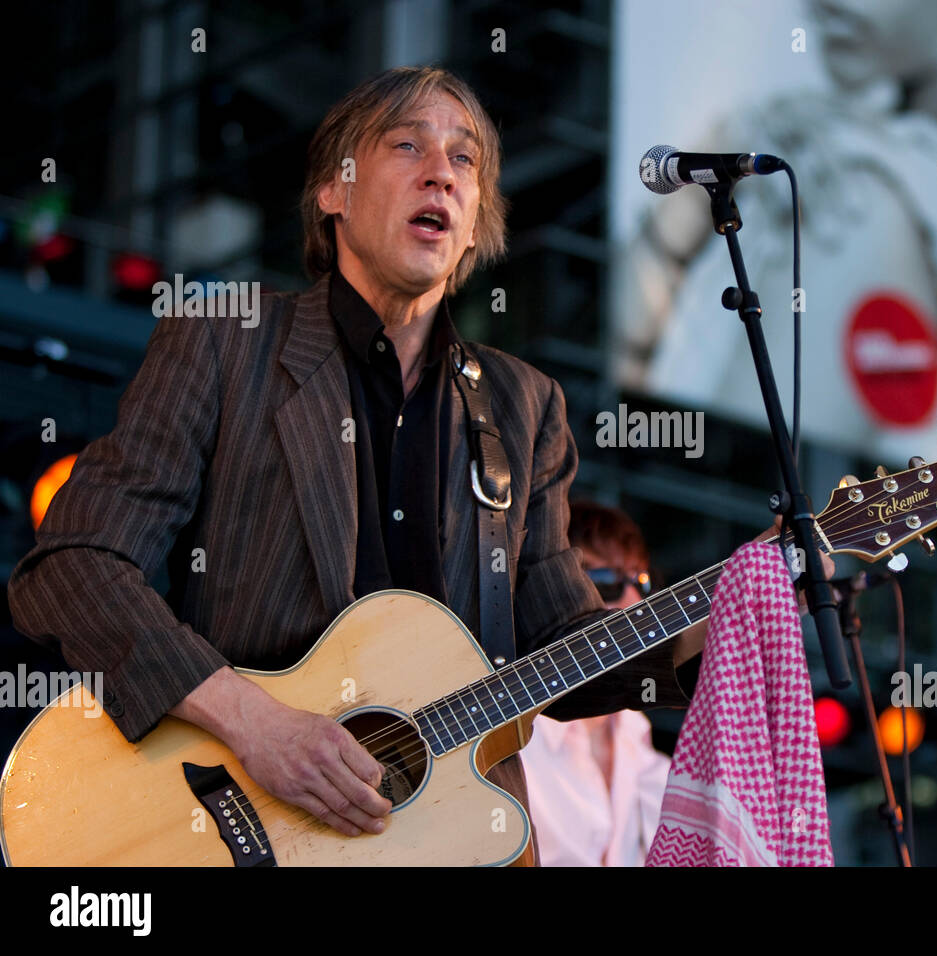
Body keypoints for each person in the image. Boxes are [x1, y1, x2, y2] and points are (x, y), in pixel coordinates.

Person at [6, 66, 707, 853]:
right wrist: (254, 723)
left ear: (474, 222)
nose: (442, 172)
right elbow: (74, 564)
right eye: (407, 145)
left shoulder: (523, 405)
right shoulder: (225, 344)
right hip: (234, 817)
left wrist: (726, 618)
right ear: (332, 191)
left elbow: (561, 644)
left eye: (465, 159)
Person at [520, 500, 681, 866]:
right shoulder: (518, 734)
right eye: (607, 582)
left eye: (641, 582)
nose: (633, 600)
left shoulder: (637, 738)